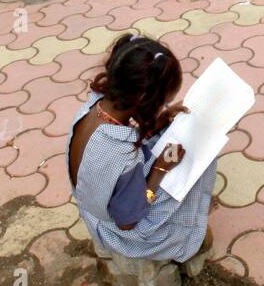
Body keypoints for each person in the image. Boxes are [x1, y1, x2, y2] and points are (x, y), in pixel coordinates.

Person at [67, 34, 218, 263]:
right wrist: (160, 168)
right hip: (120, 232)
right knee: (200, 162)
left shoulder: (93, 108)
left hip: (93, 207)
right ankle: (187, 237)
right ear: (144, 99)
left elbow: (112, 159)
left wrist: (160, 120)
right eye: (162, 103)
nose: (163, 107)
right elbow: (127, 222)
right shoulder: (123, 155)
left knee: (161, 138)